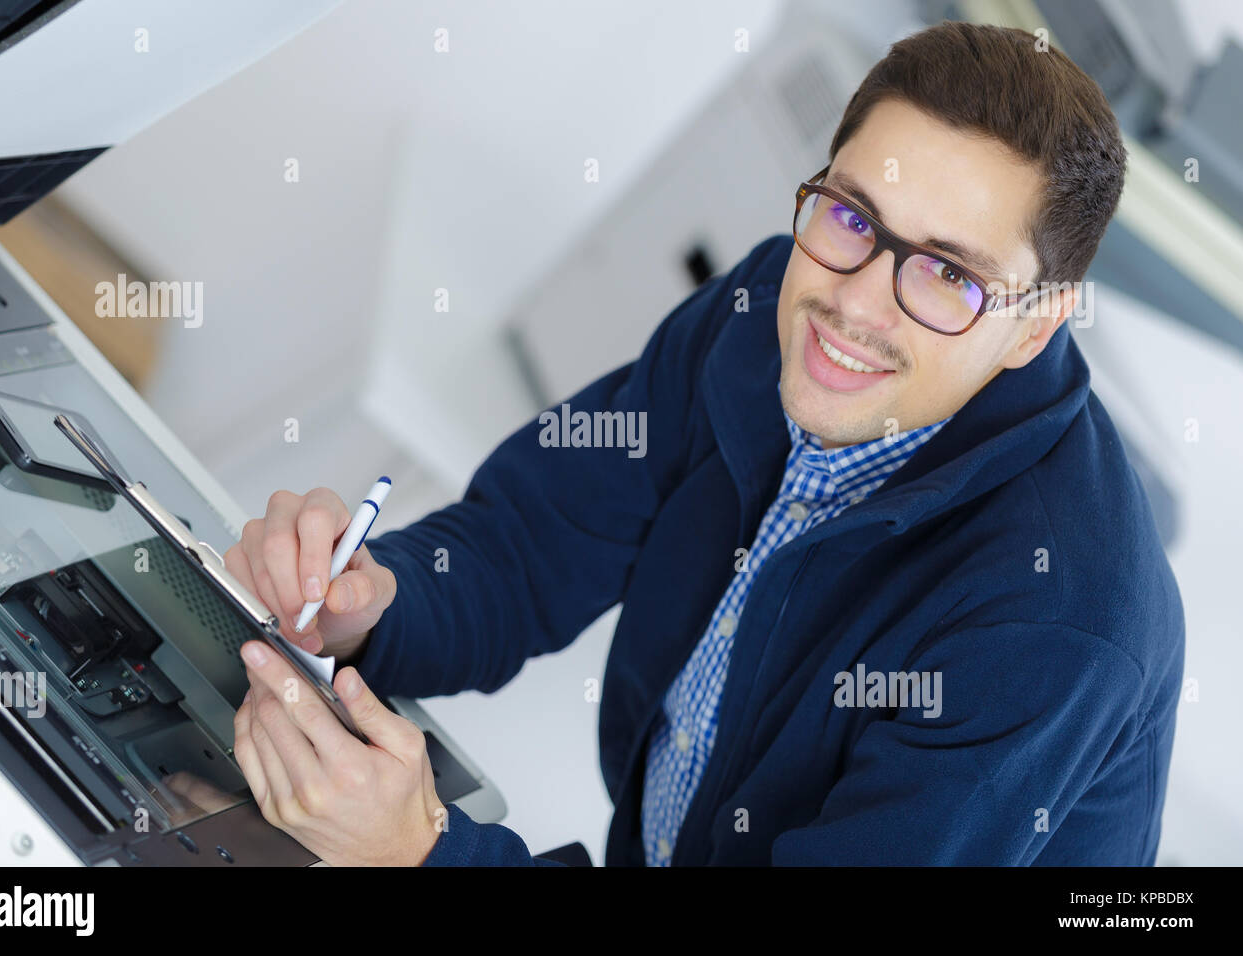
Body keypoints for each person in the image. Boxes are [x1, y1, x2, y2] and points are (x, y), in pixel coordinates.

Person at [224, 21, 1184, 866]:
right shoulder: (765, 304)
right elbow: (525, 548)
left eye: (946, 274)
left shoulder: (1059, 625)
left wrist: (422, 854)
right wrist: (370, 606)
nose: (851, 303)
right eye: (851, 215)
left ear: (1035, 327)